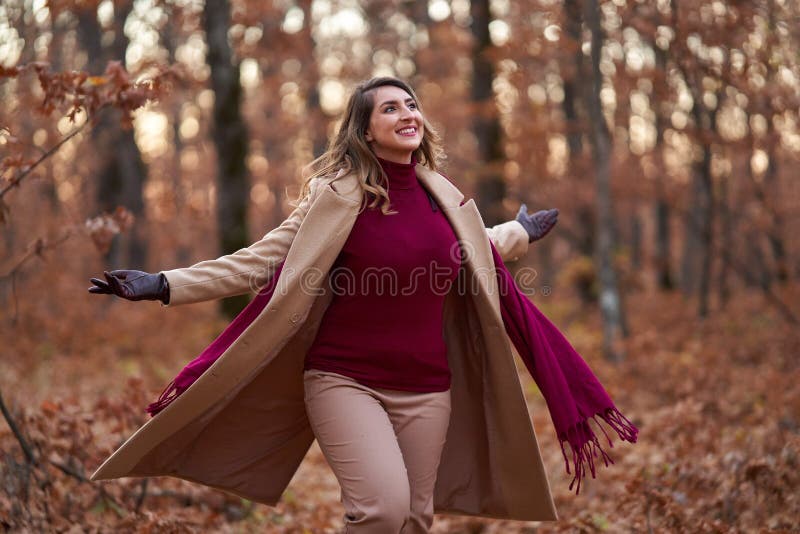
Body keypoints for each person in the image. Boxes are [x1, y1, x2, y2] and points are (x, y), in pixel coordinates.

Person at [89, 77, 636, 533]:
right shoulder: (337, 199)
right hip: (344, 380)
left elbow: (476, 248)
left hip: (428, 389)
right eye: (390, 107)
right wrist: (163, 283)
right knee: (382, 509)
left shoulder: (443, 195)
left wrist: (519, 231)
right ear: (366, 130)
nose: (407, 113)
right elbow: (257, 261)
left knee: (416, 520)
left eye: (412, 104)